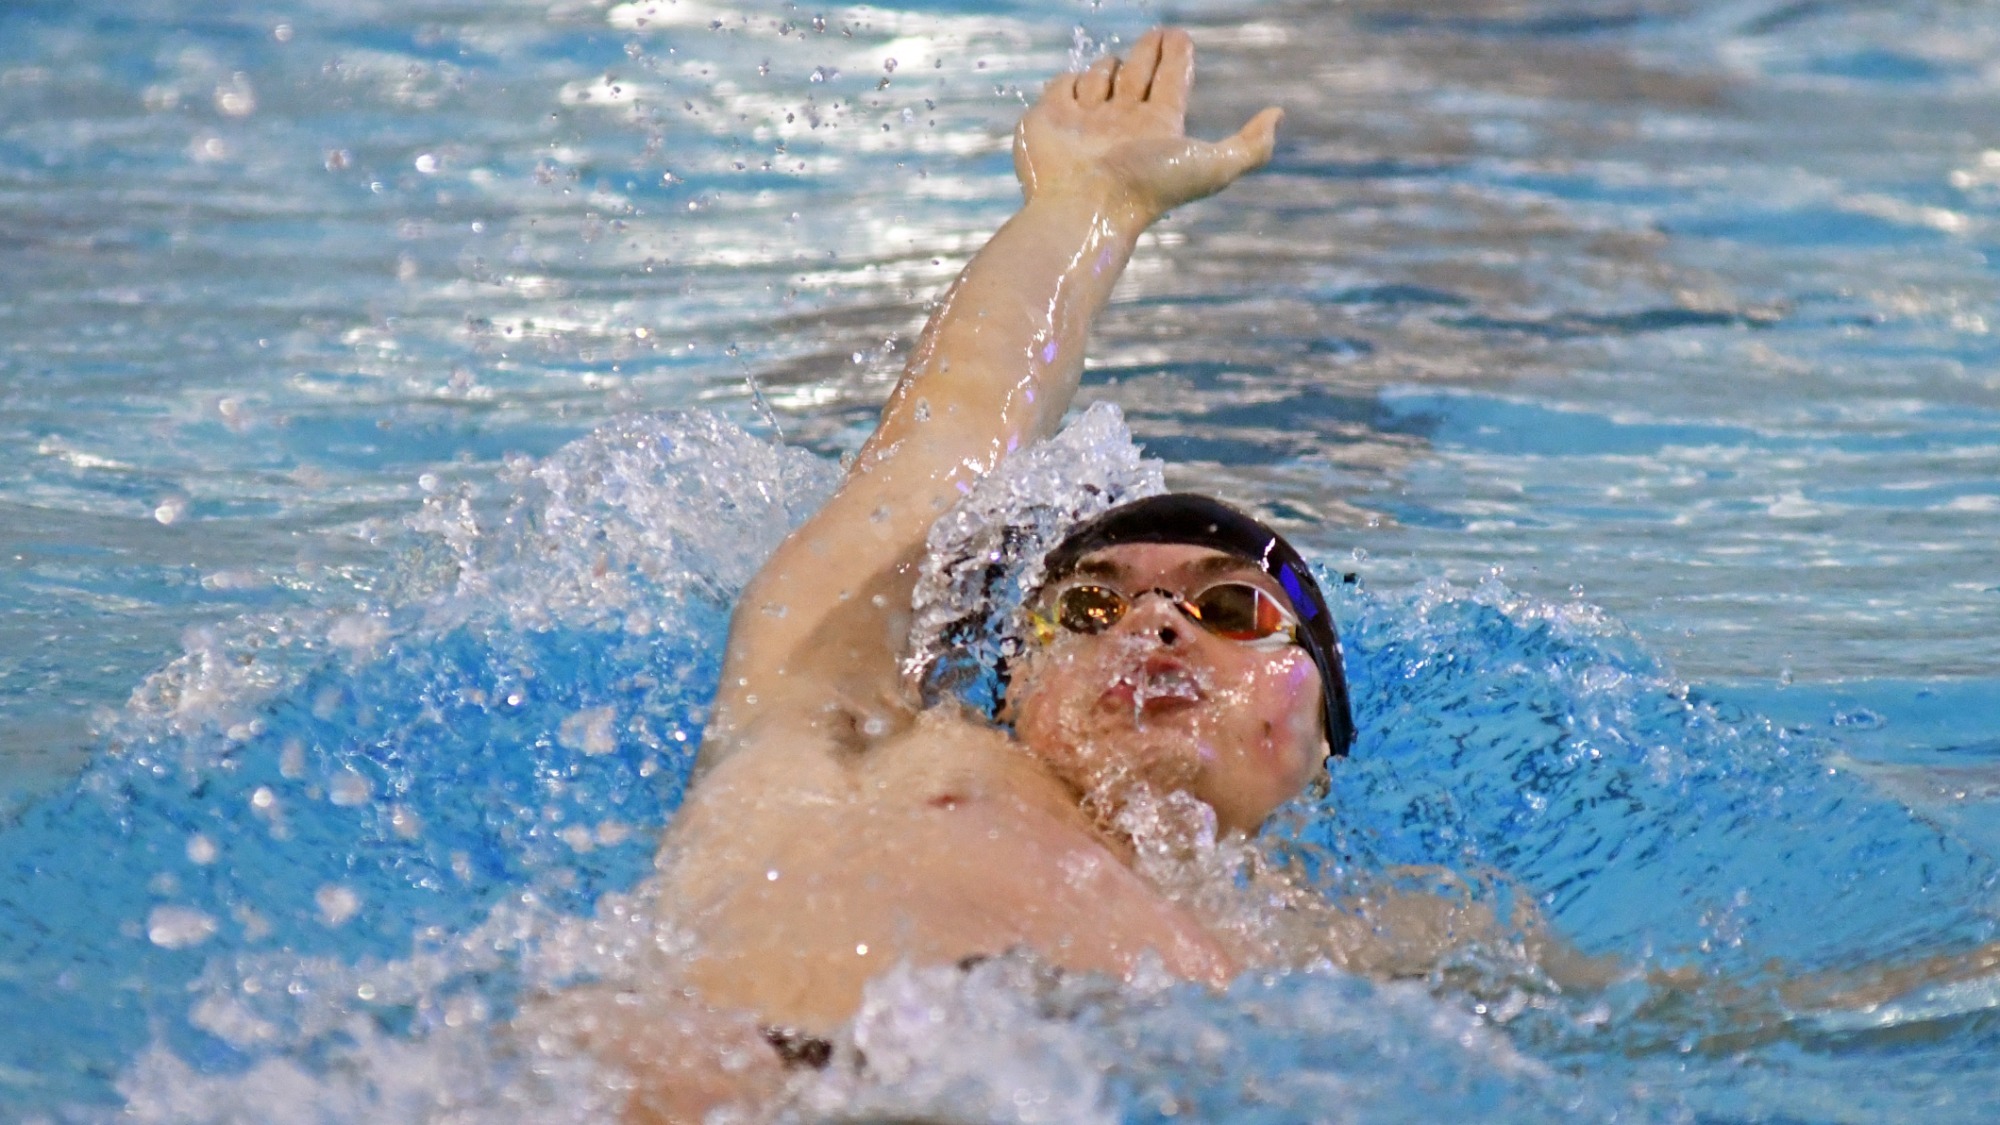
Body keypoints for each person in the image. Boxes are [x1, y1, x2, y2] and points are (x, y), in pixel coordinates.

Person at [521, 27, 1998, 1123]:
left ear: (1316, 734)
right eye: (1088, 607)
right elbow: (938, 465)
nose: (1156, 620)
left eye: (1228, 610)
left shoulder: (1331, 956)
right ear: (1011, 674)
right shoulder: (850, 742)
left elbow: (1711, 1024)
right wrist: (1079, 212)